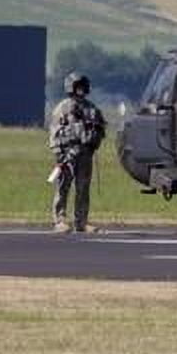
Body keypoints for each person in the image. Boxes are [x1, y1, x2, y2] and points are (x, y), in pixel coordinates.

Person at [48, 72, 106, 233]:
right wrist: (57, 151)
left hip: (86, 153)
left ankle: (81, 221)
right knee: (63, 186)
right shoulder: (63, 108)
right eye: (77, 87)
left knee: (83, 187)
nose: (80, 90)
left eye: (82, 87)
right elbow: (54, 130)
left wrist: (95, 141)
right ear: (71, 88)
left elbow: (100, 128)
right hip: (67, 153)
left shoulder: (92, 108)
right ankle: (59, 220)